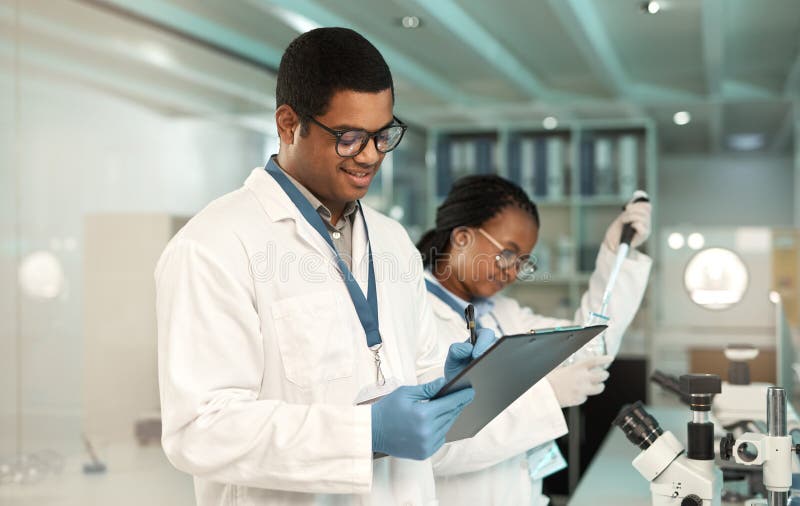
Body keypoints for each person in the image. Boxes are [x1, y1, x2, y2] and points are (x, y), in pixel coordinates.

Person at [154, 27, 493, 506]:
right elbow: (201, 428)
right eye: (350, 137)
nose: (372, 155)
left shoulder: (393, 241)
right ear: (289, 124)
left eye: (382, 135)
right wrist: (364, 433)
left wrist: (455, 380)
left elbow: (410, 376)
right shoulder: (212, 246)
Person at [417, 174, 652, 505]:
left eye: (523, 261)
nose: (512, 272)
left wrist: (617, 257)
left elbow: (588, 343)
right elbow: (434, 447)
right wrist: (546, 397)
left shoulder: (504, 313)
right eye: (508, 254)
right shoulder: (411, 315)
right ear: (463, 237)